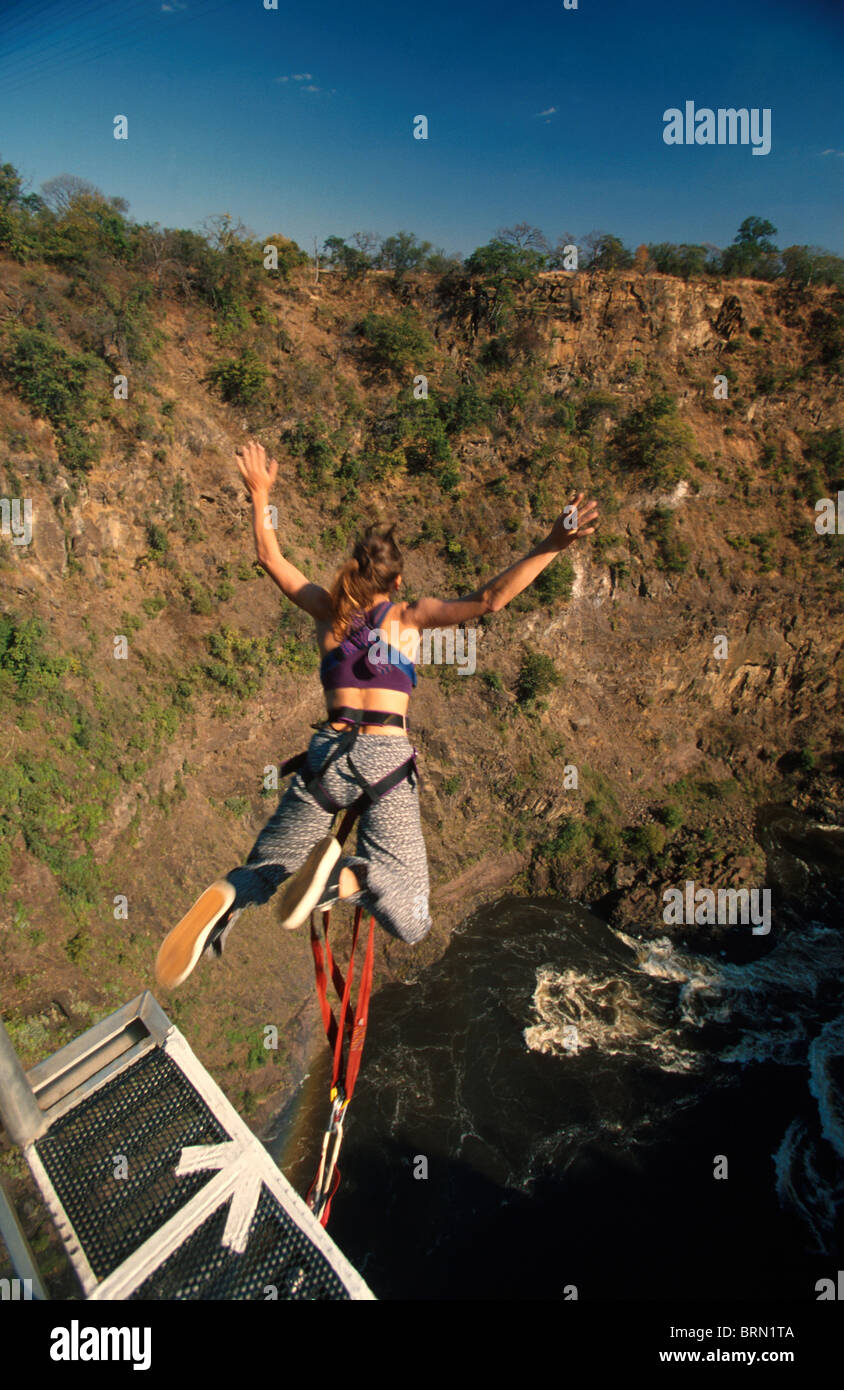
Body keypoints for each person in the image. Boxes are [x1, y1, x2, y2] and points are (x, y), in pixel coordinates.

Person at [155, 440, 599, 988]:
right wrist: (554, 541)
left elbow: (272, 558)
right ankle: (344, 881)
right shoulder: (409, 617)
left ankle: (230, 896)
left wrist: (260, 493)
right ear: (396, 584)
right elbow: (490, 599)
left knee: (269, 869)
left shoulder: (326, 608)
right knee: (411, 916)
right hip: (384, 756)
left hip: (325, 759)